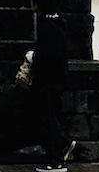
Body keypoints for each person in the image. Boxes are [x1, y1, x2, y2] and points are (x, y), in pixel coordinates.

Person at [29, 11, 75, 172]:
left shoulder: (47, 27)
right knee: (54, 116)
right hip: (57, 79)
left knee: (50, 118)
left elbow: (46, 55)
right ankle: (62, 145)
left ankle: (57, 159)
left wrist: (35, 61)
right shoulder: (58, 24)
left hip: (49, 80)